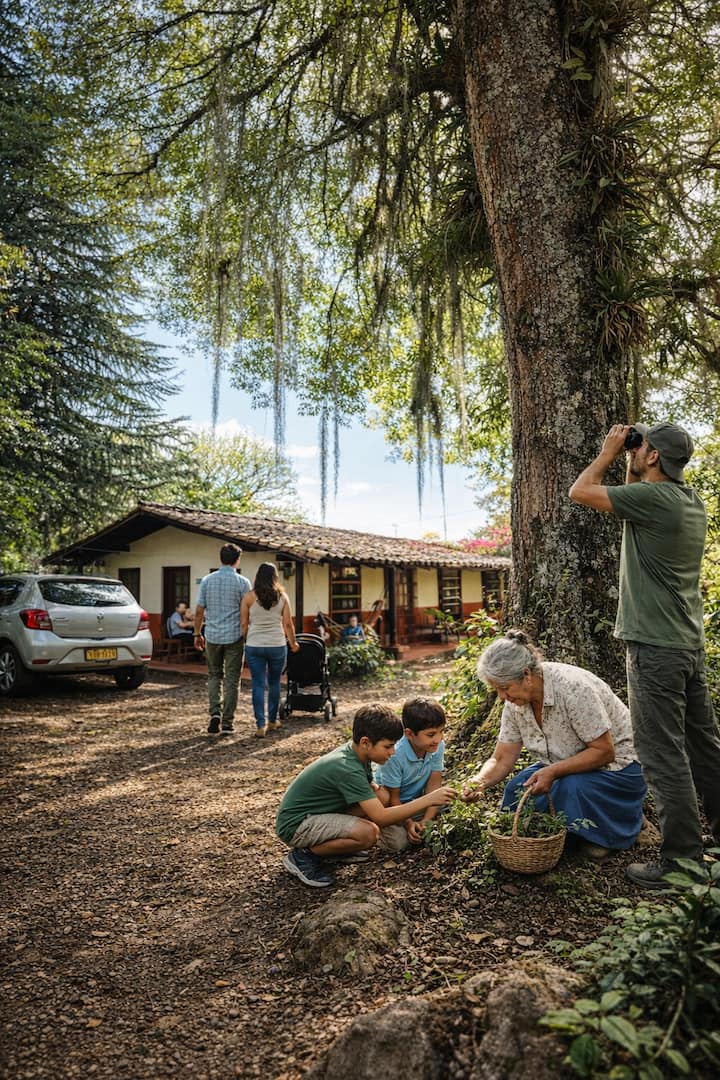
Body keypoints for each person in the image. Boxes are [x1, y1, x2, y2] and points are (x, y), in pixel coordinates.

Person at [570, 421, 720, 887]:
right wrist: (635, 463)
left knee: (662, 754)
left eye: (643, 446)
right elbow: (630, 501)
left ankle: (682, 862)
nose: (637, 450)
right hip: (687, 646)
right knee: (704, 748)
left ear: (652, 455)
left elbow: (581, 491)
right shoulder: (689, 502)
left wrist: (611, 450)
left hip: (654, 649)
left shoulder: (651, 501)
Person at [463, 630, 647, 861]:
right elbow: (501, 759)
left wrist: (552, 771)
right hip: (567, 765)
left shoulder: (572, 688)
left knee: (571, 788)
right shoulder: (516, 703)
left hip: (620, 769)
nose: (501, 697)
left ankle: (611, 832)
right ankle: (562, 835)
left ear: (526, 675)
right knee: (515, 791)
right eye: (497, 689)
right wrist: (479, 782)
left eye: (505, 688)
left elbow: (604, 752)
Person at [275, 703, 457, 886]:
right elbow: (380, 817)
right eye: (388, 747)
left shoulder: (357, 754)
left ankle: (336, 849)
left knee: (381, 796)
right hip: (297, 824)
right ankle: (303, 856)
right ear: (365, 742)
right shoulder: (347, 767)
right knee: (368, 834)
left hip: (319, 813)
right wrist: (430, 799)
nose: (393, 752)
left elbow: (378, 797)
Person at [373, 697, 447, 851]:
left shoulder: (437, 747)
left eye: (441, 731)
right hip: (392, 807)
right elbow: (393, 798)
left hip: (417, 802)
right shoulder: (395, 754)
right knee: (400, 843)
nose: (438, 739)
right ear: (409, 734)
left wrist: (426, 820)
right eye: (431, 734)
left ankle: (421, 822)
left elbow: (434, 785)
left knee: (449, 800)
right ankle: (378, 829)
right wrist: (408, 823)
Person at [193, 544, 252, 735]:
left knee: (214, 675)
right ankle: (227, 722)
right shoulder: (243, 583)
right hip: (235, 636)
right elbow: (246, 613)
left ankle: (214, 714)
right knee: (232, 680)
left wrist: (196, 633)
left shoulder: (207, 581)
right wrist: (246, 635)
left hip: (212, 635)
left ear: (220, 558)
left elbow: (200, 610)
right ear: (237, 560)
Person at [241, 562, 300, 737]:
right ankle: (273, 721)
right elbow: (288, 624)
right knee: (274, 683)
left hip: (255, 645)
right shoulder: (282, 597)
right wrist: (293, 643)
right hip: (277, 645)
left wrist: (247, 639)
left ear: (258, 576)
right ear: (275, 577)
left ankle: (260, 724)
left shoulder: (249, 597)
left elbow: (244, 624)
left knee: (258, 684)